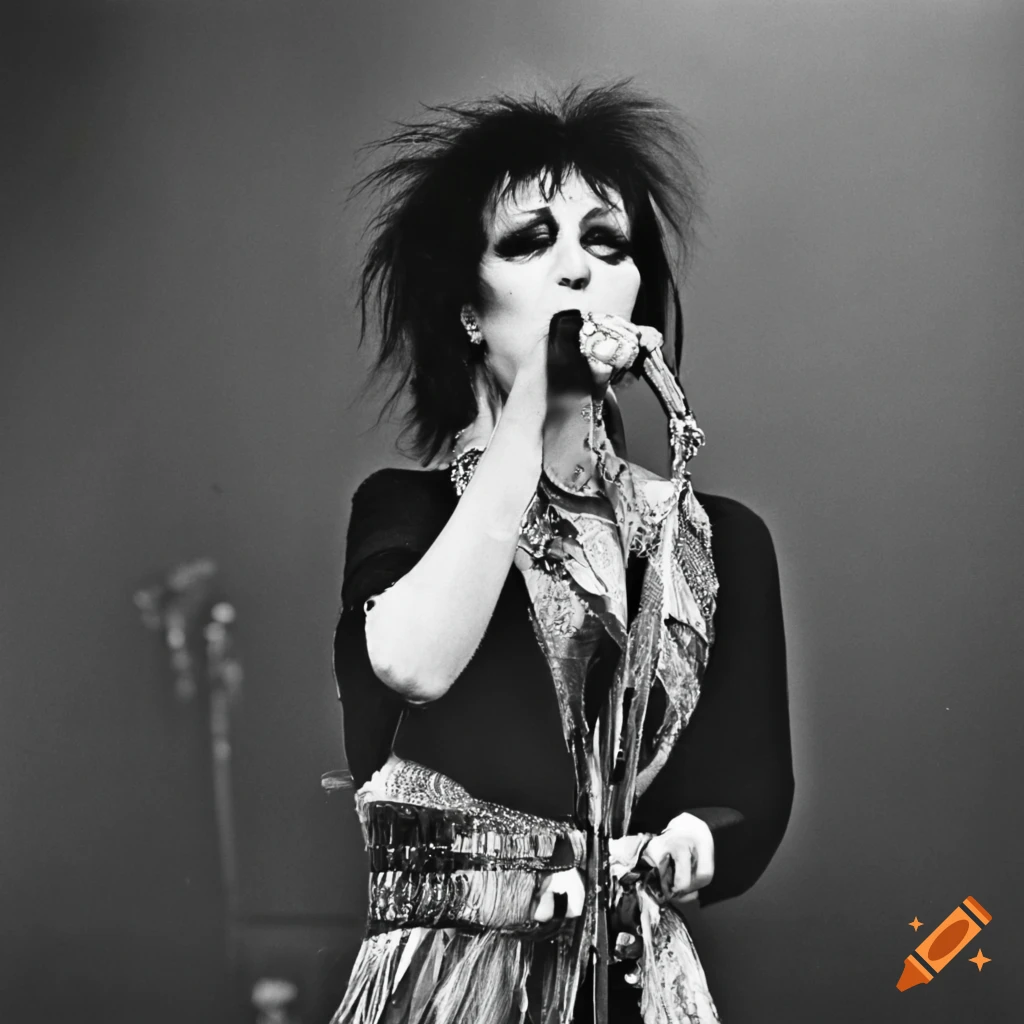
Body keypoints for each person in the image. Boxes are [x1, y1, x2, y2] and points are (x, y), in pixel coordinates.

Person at [328, 81, 794, 1024]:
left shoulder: (717, 540)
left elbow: (754, 790)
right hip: (451, 991)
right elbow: (412, 666)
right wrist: (534, 400)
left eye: (605, 243)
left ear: (638, 292)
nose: (575, 271)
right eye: (531, 243)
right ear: (468, 311)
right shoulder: (406, 512)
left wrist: (696, 836)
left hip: (624, 985)